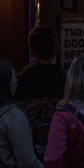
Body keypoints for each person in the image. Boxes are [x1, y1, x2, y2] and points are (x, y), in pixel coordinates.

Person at [16, 25, 65, 159]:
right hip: (60, 149)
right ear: (57, 48)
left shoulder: (23, 79)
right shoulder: (67, 80)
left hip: (27, 152)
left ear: (31, 51)